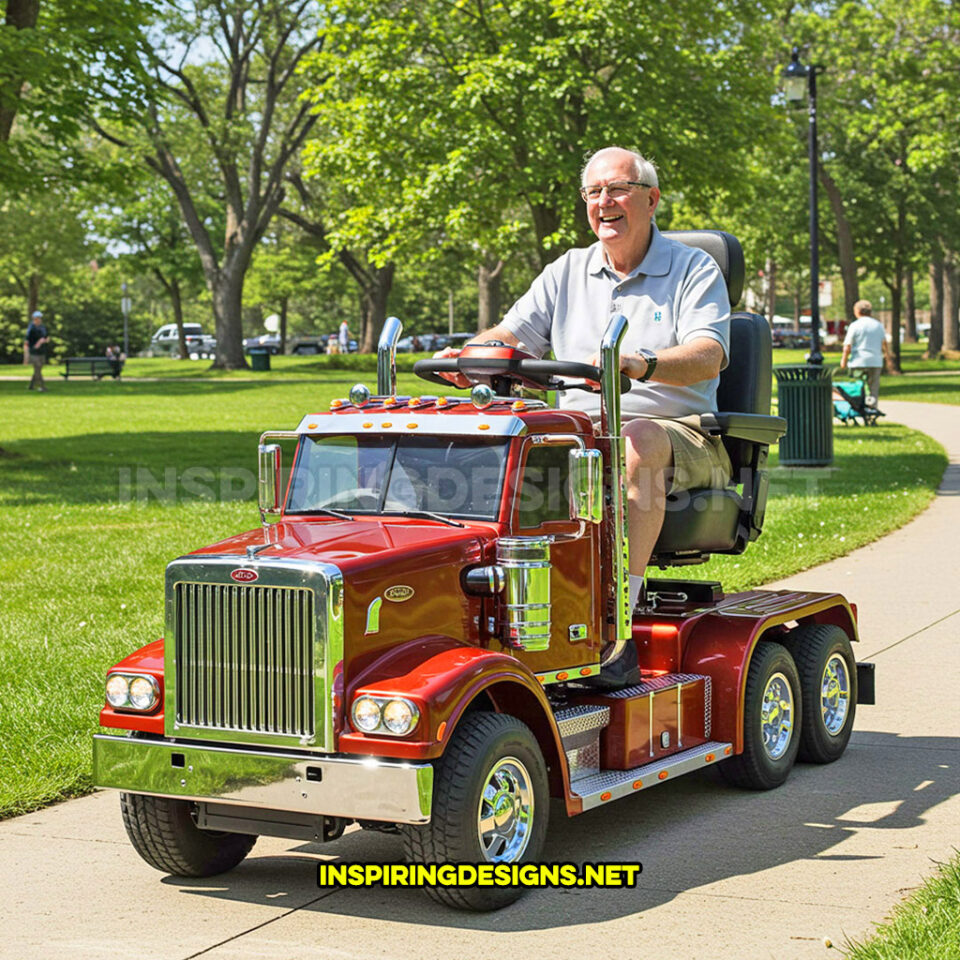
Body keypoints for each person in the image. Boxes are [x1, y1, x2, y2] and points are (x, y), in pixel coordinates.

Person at [435, 146, 732, 676]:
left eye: (617, 189)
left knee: (637, 438)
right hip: (580, 434)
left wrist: (640, 364)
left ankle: (618, 622)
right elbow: (511, 334)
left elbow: (710, 355)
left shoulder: (693, 267)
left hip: (681, 434)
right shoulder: (566, 270)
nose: (605, 202)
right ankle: (478, 612)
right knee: (491, 445)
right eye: (593, 193)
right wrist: (468, 355)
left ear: (651, 199)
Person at [840, 299, 891, 406]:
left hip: (858, 361)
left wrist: (843, 361)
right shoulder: (878, 325)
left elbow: (847, 346)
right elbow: (884, 343)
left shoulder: (855, 325)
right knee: (873, 388)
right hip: (875, 361)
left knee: (857, 387)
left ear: (857, 311)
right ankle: (872, 409)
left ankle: (859, 407)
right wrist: (887, 357)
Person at [23, 310, 50, 392]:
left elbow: (47, 338)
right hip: (33, 352)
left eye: (40, 318)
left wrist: (43, 341)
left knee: (38, 369)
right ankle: (42, 386)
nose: (39, 319)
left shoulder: (43, 327)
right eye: (37, 318)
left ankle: (31, 385)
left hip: (42, 352)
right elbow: (26, 342)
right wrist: (26, 355)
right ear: (34, 318)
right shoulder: (31, 328)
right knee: (37, 368)